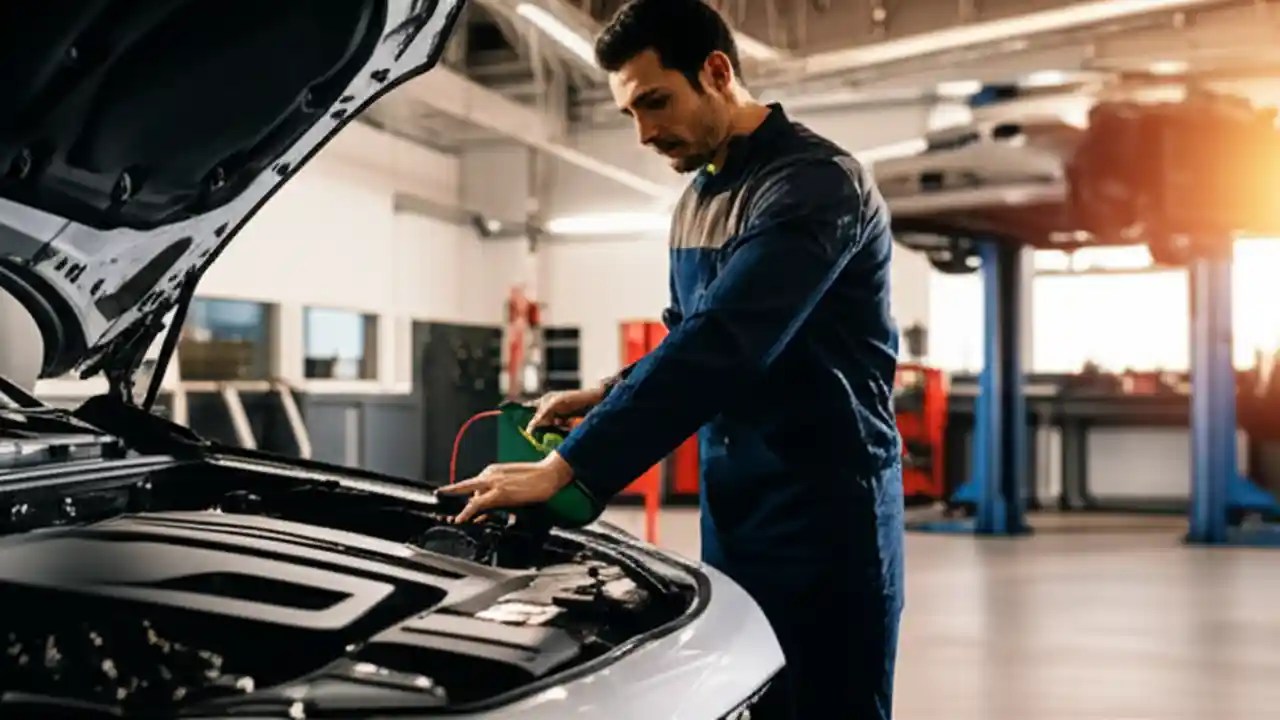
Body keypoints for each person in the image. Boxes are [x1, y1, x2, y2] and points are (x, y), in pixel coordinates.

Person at [440, 0, 905, 717]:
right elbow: (688, 332)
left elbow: (724, 342)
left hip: (828, 512)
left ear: (717, 72)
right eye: (629, 113)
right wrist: (604, 390)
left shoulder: (815, 185)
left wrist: (569, 468)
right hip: (736, 507)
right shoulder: (696, 199)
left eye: (656, 102)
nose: (645, 132)